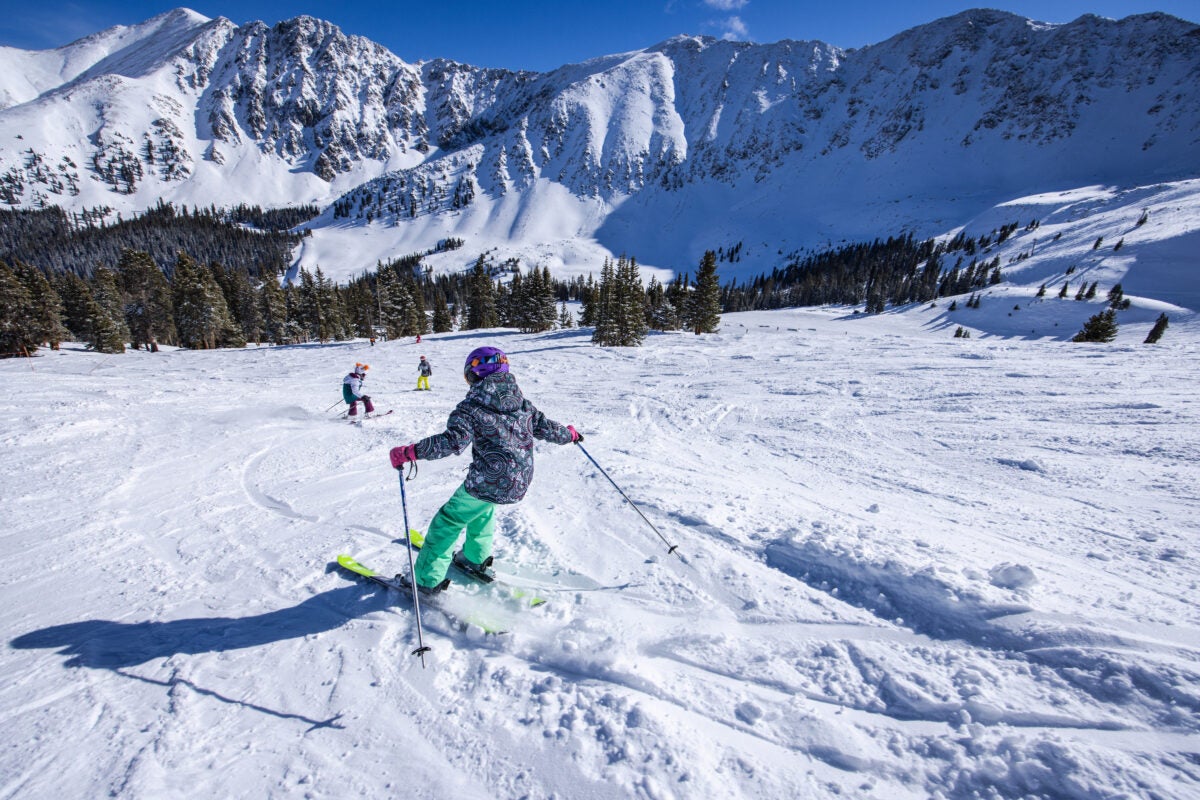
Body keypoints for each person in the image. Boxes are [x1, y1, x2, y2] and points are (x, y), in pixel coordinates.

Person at [389, 346, 582, 594]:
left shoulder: (471, 407)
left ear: (474, 373)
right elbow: (547, 428)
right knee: (482, 508)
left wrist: (410, 452)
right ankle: (473, 558)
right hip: (519, 480)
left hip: (486, 479)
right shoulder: (522, 404)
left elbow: (452, 442)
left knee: (447, 521)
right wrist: (570, 435)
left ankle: (425, 581)